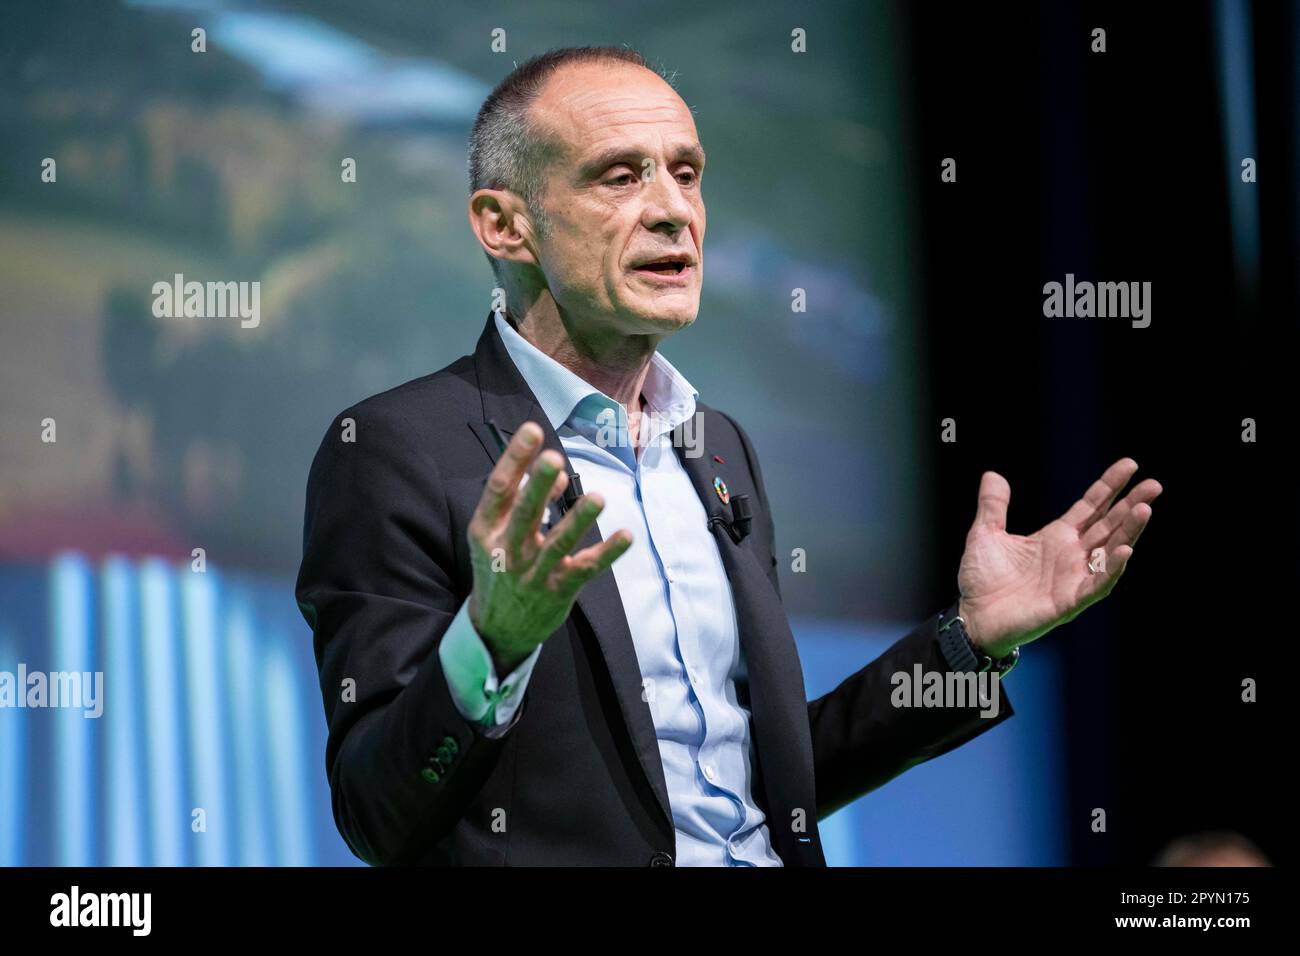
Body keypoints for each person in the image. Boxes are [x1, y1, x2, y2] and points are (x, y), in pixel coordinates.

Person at [294, 45, 1162, 866]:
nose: (673, 208)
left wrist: (967, 648)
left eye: (687, 172)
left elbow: (766, 783)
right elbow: (377, 812)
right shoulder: (395, 450)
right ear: (504, 224)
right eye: (620, 175)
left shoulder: (718, 447)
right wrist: (492, 642)